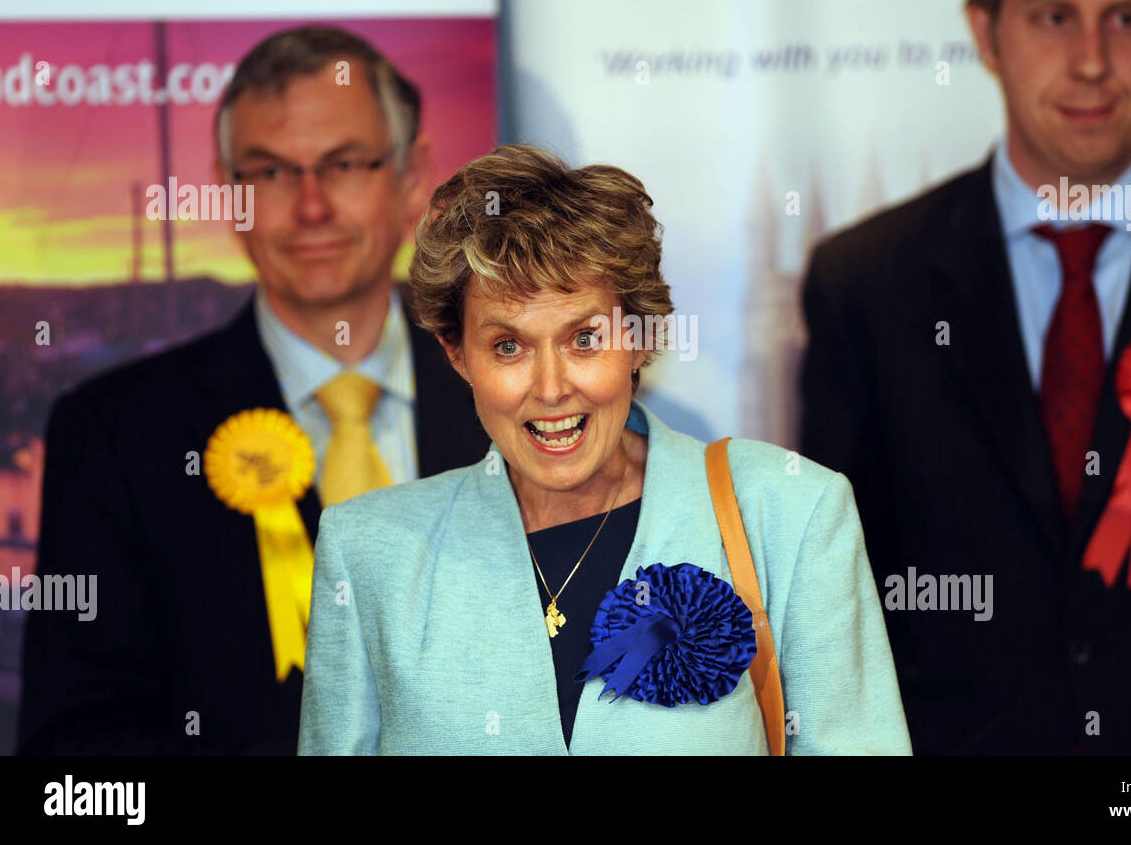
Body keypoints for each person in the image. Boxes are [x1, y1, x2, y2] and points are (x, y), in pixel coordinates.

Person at [801, 0, 1131, 755]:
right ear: (986, 32)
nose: (1094, 60)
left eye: (1128, 17)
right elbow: (838, 609)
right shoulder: (867, 283)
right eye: (1053, 16)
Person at [298, 145, 910, 755]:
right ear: (458, 354)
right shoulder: (369, 553)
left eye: (585, 338)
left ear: (640, 339)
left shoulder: (791, 513)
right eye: (508, 346)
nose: (550, 387)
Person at [17, 26, 489, 755]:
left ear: (413, 175)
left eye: (344, 164)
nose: (309, 207)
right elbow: (75, 759)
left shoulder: (519, 401)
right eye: (269, 173)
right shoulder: (114, 435)